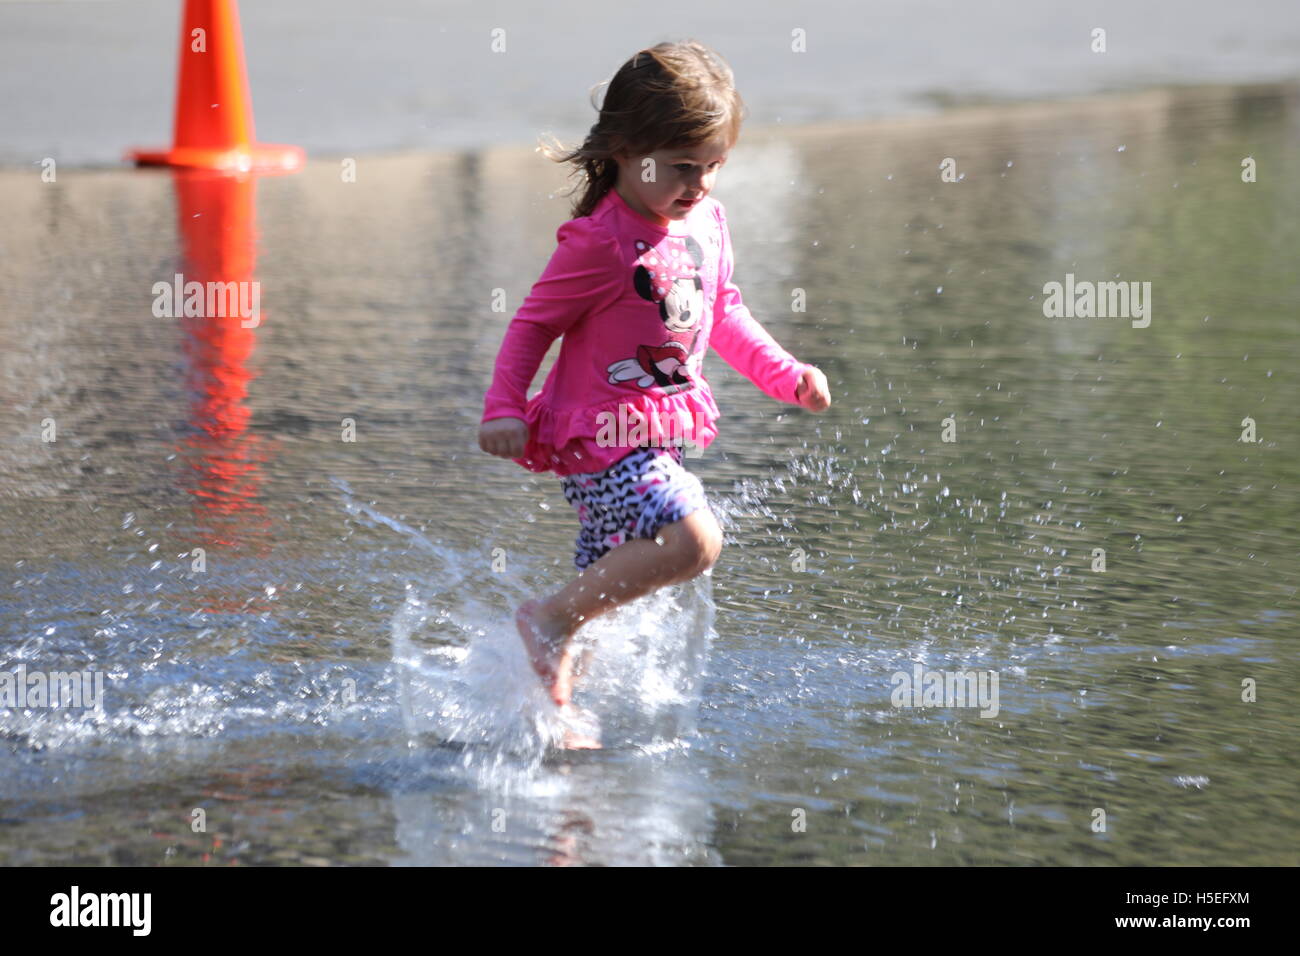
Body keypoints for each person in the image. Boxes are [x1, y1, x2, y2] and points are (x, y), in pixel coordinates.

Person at [478, 39, 832, 729]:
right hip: (599, 437)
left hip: (652, 436)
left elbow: (723, 310)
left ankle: (551, 720)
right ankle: (548, 618)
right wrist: (504, 408)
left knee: (607, 608)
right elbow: (531, 326)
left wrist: (786, 376)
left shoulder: (705, 222)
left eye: (712, 167)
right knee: (694, 542)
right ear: (622, 150)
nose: (698, 185)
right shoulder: (600, 243)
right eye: (680, 168)